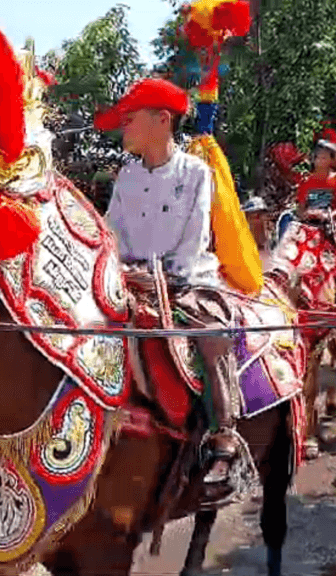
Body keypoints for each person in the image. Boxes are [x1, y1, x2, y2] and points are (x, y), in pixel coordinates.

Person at [99, 77, 242, 487]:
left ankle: (223, 433)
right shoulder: (125, 177)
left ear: (162, 120)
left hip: (187, 279)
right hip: (131, 279)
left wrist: (162, 277)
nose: (123, 128)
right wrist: (123, 269)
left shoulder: (197, 172)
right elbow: (113, 231)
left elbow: (195, 236)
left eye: (130, 120)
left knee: (211, 334)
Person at [296, 140, 336, 219]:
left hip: (333, 222)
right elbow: (301, 207)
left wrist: (328, 215)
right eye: (317, 157)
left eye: (323, 158)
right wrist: (307, 215)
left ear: (332, 160)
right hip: (310, 223)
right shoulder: (306, 182)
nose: (319, 161)